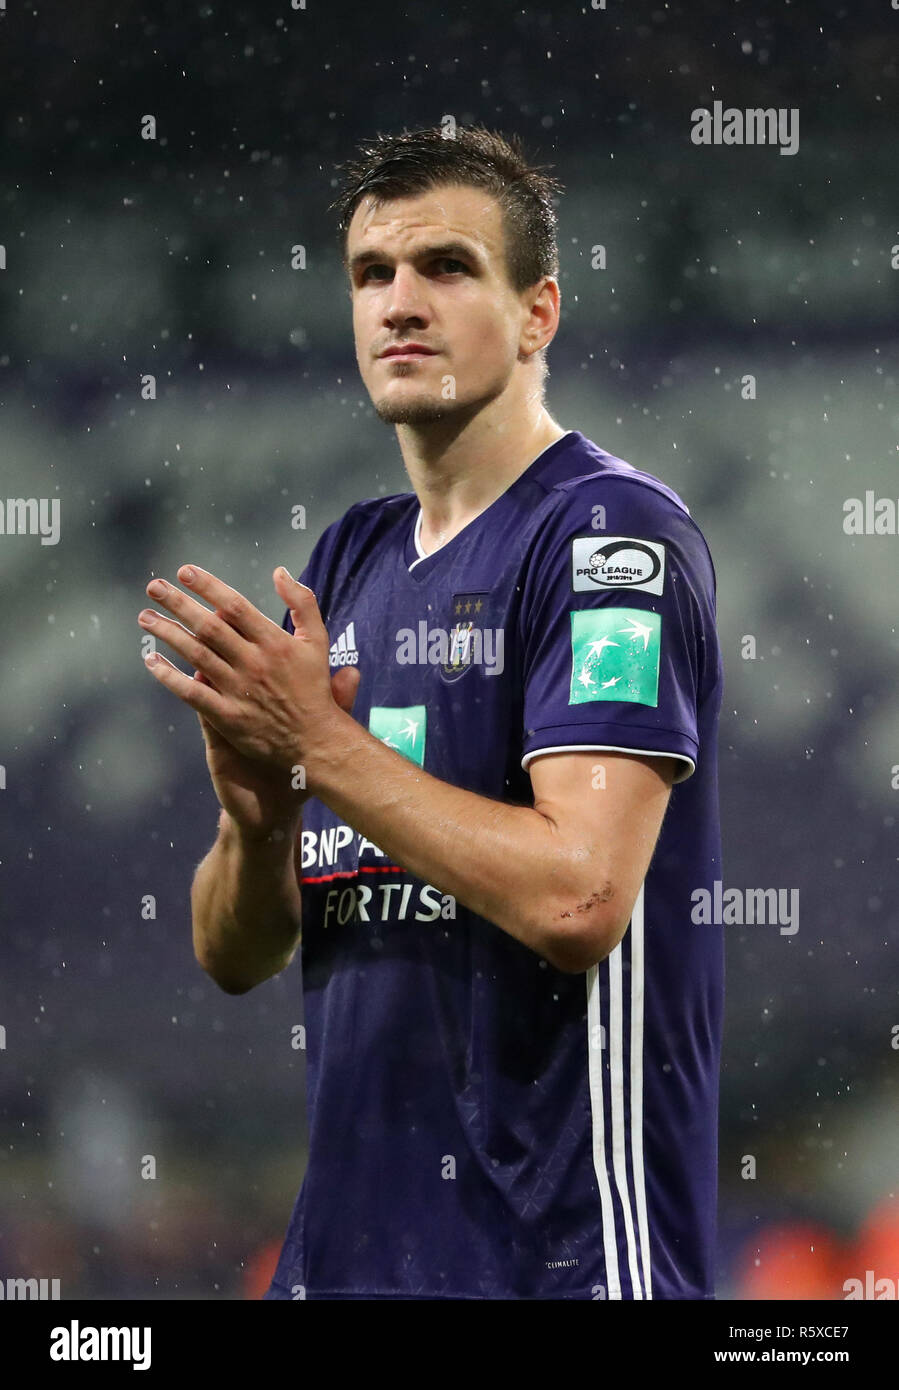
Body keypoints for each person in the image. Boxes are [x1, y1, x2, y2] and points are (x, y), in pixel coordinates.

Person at [138, 125, 725, 1300]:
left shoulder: (607, 538)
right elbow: (233, 952)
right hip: (349, 1259)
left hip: (555, 1260)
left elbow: (577, 896)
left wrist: (323, 749)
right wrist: (258, 820)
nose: (399, 303)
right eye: (371, 275)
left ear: (535, 313)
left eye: (447, 267)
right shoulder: (349, 558)